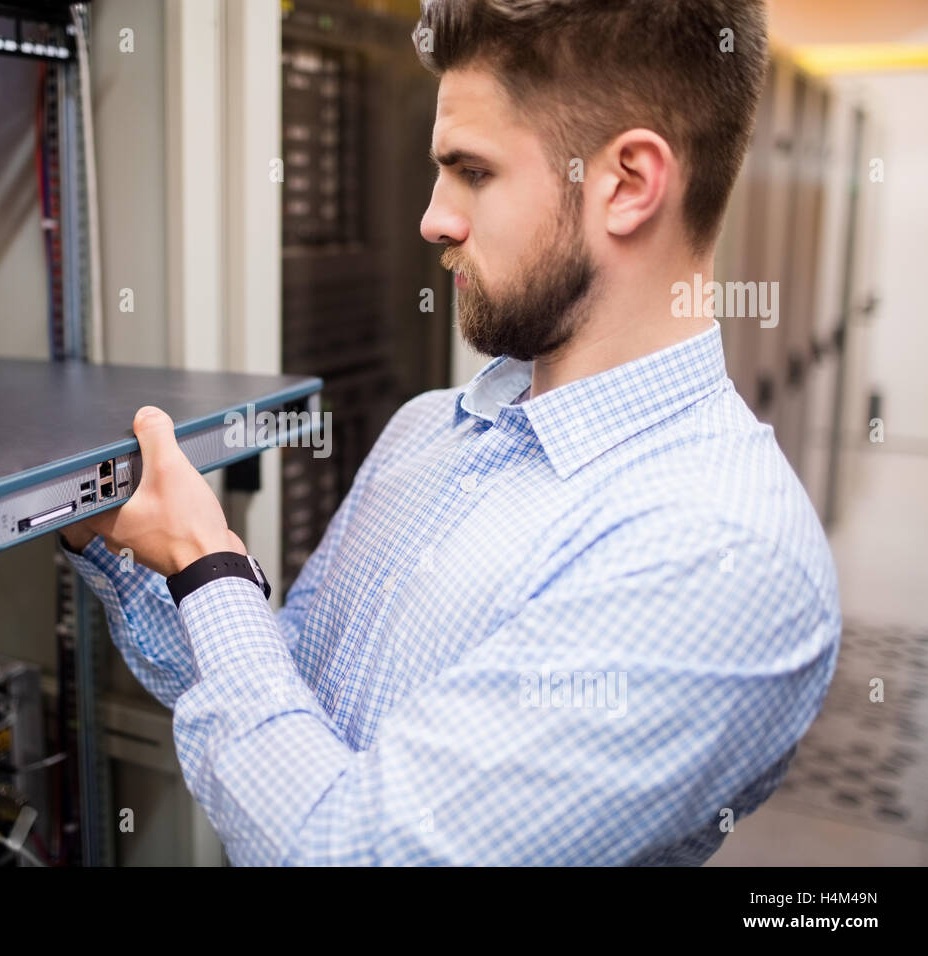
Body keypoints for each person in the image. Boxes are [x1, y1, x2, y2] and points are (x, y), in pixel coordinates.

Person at [59, 0, 841, 865]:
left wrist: (210, 566)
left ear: (627, 183)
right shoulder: (429, 430)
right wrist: (136, 549)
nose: (434, 218)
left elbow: (341, 850)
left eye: (472, 171)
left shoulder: (717, 555)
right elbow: (279, 710)